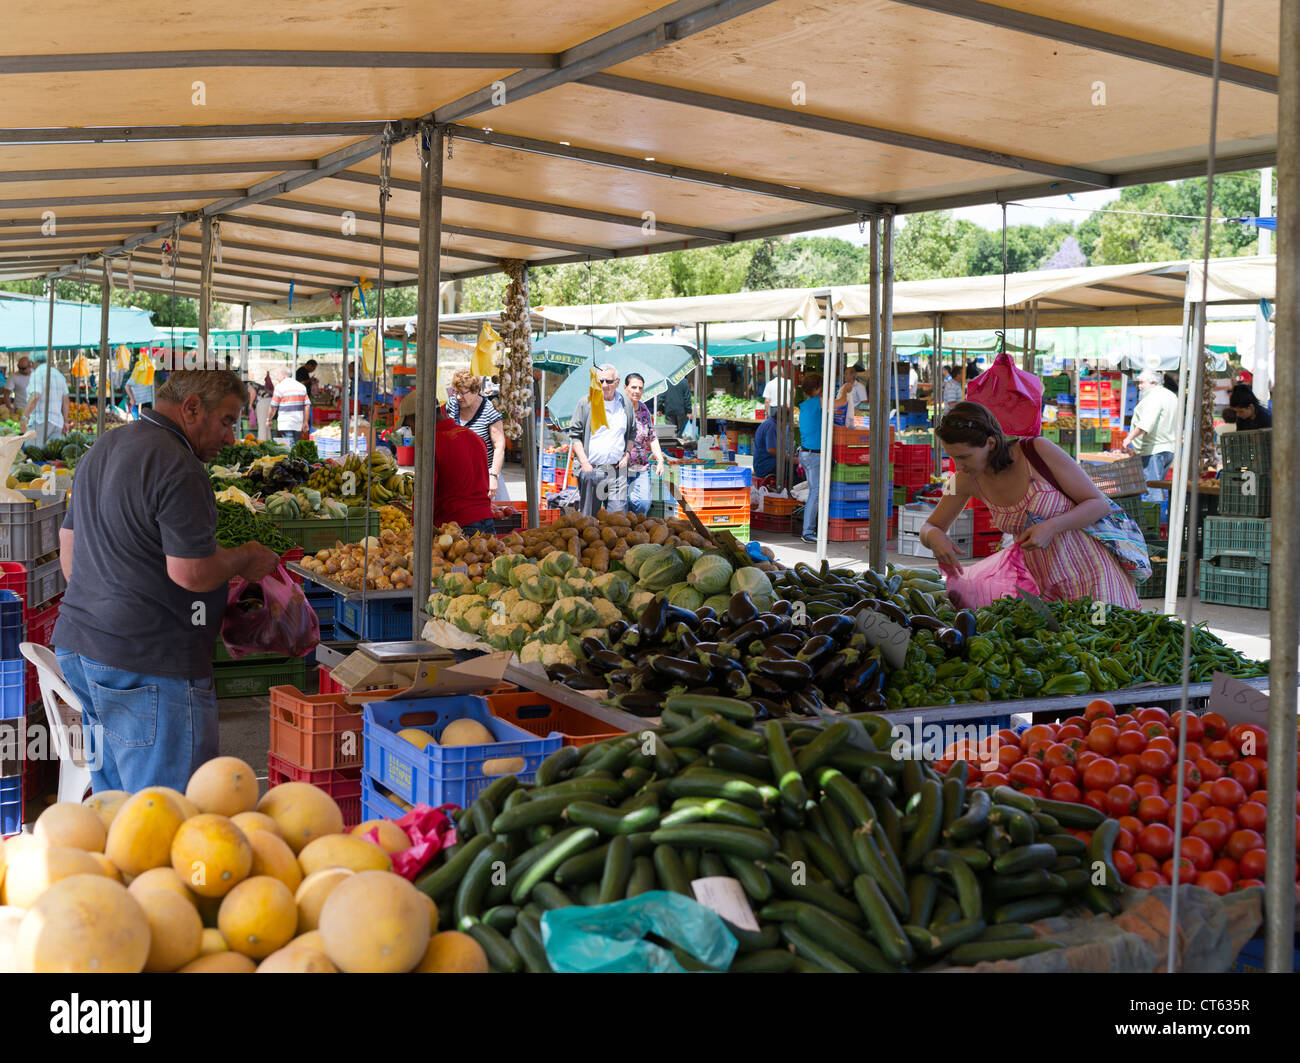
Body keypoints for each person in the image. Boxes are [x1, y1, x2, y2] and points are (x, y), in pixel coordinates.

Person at [52, 371, 280, 793]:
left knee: (119, 808)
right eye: (228, 421)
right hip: (150, 663)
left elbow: (68, 543)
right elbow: (190, 572)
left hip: (82, 649)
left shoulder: (106, 445)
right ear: (192, 408)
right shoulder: (178, 463)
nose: (231, 438)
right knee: (170, 813)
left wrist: (108, 604)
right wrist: (245, 557)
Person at [923, 402, 1139, 607]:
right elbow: (929, 526)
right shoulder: (963, 481)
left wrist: (1051, 526)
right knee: (1061, 645)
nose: (958, 465)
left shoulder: (1037, 452)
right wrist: (934, 536)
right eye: (952, 457)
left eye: (965, 457)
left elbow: (1098, 504)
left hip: (1094, 576)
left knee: (1103, 638)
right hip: (1042, 588)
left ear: (990, 443)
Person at [569, 363, 635, 517]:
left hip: (617, 471)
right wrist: (585, 463)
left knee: (618, 520)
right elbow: (574, 436)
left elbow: (632, 433)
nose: (604, 385)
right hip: (593, 470)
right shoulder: (586, 403)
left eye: (609, 381)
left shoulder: (626, 404)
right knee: (588, 521)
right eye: (600, 381)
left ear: (617, 382)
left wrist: (627, 454)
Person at [431, 403, 495, 535]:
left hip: (456, 525)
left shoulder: (432, 443)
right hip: (486, 519)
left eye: (410, 425)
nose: (413, 431)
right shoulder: (474, 437)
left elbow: (426, 491)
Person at [445, 369, 507, 500]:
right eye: (455, 392)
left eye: (462, 393)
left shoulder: (489, 411)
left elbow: (499, 446)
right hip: (458, 477)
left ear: (475, 391)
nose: (458, 397)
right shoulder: (452, 405)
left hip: (485, 477)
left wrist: (493, 476)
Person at [1123, 370, 1178, 492]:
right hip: (1168, 448)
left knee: (1152, 492)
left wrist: (1129, 438)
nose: (1139, 386)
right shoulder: (1171, 396)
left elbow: (1145, 424)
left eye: (1142, 382)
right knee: (1158, 488)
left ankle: (1156, 510)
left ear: (1153, 382)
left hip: (1153, 450)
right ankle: (1159, 510)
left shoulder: (1153, 398)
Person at [623, 372, 666, 516]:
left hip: (641, 467)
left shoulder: (643, 410)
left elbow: (652, 437)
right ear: (625, 387)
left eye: (640, 388)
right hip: (619, 467)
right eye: (633, 387)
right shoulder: (618, 409)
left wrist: (660, 460)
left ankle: (636, 530)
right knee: (620, 508)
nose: (637, 391)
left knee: (643, 503)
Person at [796, 374, 825, 544]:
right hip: (814, 454)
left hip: (805, 453)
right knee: (815, 491)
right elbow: (840, 403)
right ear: (817, 388)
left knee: (814, 491)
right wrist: (845, 391)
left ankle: (810, 528)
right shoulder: (818, 402)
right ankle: (807, 531)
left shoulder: (805, 405)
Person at [22, 353, 70, 445]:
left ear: (32, 363)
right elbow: (65, 399)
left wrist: (25, 416)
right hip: (57, 422)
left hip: (40, 421)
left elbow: (35, 396)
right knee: (51, 454)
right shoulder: (58, 374)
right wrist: (66, 421)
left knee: (33, 453)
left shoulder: (37, 374)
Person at [268, 367, 310, 444]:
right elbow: (307, 405)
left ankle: (293, 455)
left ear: (284, 375)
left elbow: (273, 406)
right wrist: (305, 421)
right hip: (298, 421)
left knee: (290, 445)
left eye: (278, 375)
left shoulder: (279, 387)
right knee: (295, 443)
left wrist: (269, 419)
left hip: (285, 422)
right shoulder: (301, 387)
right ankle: (295, 455)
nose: (277, 378)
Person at [754, 405, 790, 481]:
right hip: (766, 466)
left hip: (764, 463)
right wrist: (789, 459)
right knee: (793, 470)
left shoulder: (770, 423)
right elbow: (771, 450)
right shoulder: (772, 426)